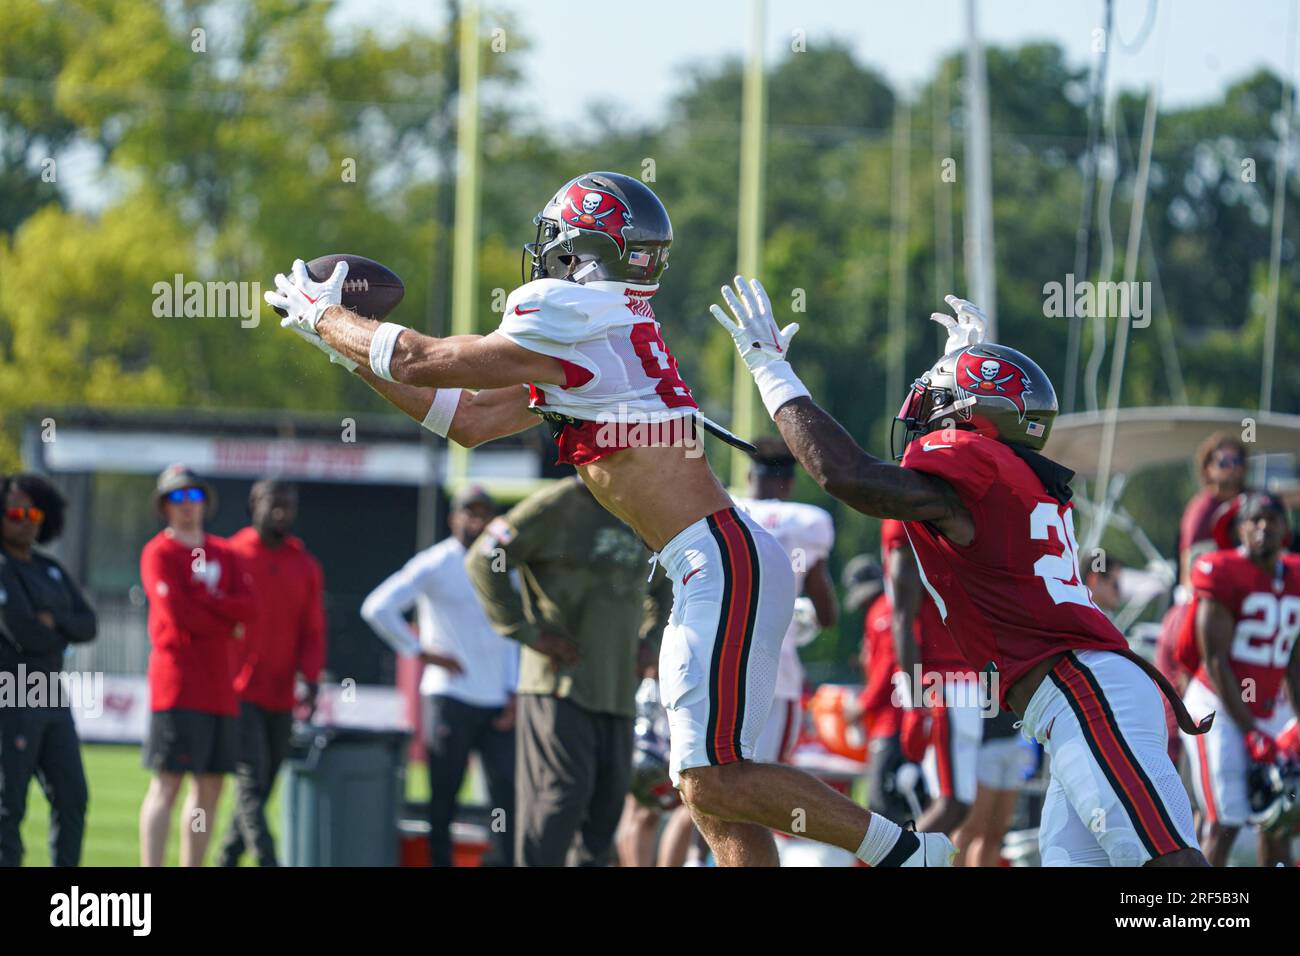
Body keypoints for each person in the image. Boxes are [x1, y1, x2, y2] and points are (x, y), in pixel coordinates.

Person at [271, 172, 952, 866]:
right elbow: (468, 419)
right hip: (712, 562)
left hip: (718, 560)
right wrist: (342, 350)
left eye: (561, 246)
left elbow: (424, 359)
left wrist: (320, 312)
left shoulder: (569, 313)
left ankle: (907, 852)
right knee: (709, 792)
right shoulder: (595, 332)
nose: (550, 259)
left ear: (584, 251)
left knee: (713, 777)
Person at [713, 279, 1210, 866]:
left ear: (962, 417)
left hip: (1084, 692)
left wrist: (773, 372)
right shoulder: (1014, 480)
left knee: (1171, 873)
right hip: (1076, 697)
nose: (919, 418)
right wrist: (955, 367)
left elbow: (847, 475)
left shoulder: (973, 465)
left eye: (933, 399)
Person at [464, 476, 668, 867]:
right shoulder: (551, 507)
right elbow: (484, 559)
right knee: (560, 798)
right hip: (559, 685)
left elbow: (666, 582)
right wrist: (527, 632)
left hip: (618, 693)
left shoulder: (639, 507)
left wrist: (651, 642)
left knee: (608, 804)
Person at [361, 484, 518, 867]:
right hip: (450, 697)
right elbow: (377, 607)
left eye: (483, 513)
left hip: (497, 701)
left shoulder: (502, 565)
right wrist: (421, 652)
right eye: (469, 512)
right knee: (444, 795)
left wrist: (513, 690)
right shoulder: (435, 562)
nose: (476, 520)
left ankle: (503, 861)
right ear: (453, 518)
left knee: (508, 797)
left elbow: (514, 629)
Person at [138, 464, 253, 867]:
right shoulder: (159, 552)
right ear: (165, 506)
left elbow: (247, 607)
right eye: (178, 498)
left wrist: (209, 603)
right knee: (167, 783)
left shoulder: (225, 552)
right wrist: (223, 616)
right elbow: (177, 613)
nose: (188, 506)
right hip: (178, 685)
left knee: (210, 788)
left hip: (221, 686)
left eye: (194, 496)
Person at [1179, 492, 1300, 866]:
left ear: (1285, 528)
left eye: (1271, 518)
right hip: (1216, 705)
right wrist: (1250, 731)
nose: (1264, 526)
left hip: (1267, 706)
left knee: (1280, 817)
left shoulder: (1295, 575)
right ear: (1239, 530)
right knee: (1224, 821)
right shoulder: (1222, 570)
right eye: (1254, 520)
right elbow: (1214, 659)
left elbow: (1293, 659)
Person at [217, 480, 326, 867]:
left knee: (262, 787)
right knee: (251, 782)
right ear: (255, 505)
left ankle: (227, 858)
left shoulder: (305, 565)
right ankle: (269, 859)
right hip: (237, 691)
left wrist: (310, 681)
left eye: (288, 505)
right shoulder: (231, 554)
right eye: (273, 504)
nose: (281, 512)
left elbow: (312, 631)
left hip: (281, 695)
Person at [0, 474, 97, 866]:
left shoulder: (49, 568)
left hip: (51, 693)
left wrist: (52, 621)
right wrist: (61, 631)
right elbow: (24, 634)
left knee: (73, 796)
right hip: (13, 691)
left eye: (34, 512)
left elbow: (88, 625)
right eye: (16, 512)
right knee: (9, 804)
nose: (27, 520)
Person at [733, 435, 838, 764]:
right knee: (765, 785)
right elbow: (827, 613)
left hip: (717, 663)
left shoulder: (723, 509)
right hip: (774, 672)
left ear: (750, 478)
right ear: (789, 484)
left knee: (712, 783)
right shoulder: (806, 522)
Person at [880, 517, 977, 837]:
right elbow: (902, 618)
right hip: (943, 683)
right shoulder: (909, 521)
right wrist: (914, 700)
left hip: (962, 679)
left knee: (953, 804)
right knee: (953, 804)